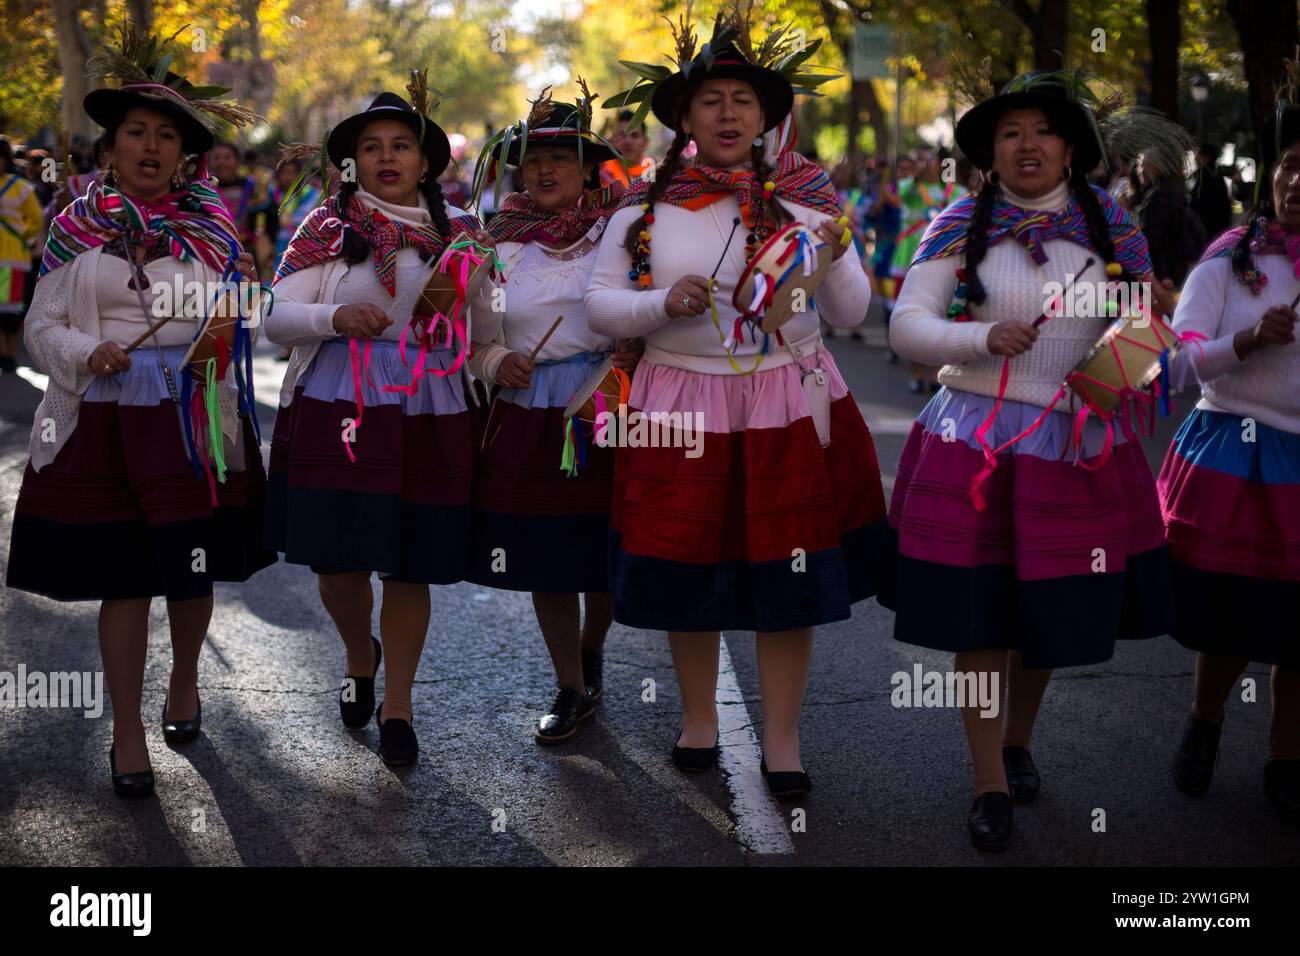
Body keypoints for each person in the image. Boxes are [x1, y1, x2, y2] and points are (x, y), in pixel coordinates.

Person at [584, 13, 885, 798]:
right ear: (684, 118)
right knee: (688, 563)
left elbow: (852, 315)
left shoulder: (811, 202)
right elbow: (600, 308)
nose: (727, 114)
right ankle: (698, 720)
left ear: (766, 118)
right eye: (711, 99)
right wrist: (660, 306)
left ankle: (782, 741)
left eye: (743, 101)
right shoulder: (644, 209)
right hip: (679, 399)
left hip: (788, 397)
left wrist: (840, 253)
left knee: (789, 576)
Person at [882, 72, 1177, 850]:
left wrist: (1116, 373)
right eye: (1010, 132)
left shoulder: (1112, 226)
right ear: (990, 151)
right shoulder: (959, 221)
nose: (1027, 144)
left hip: (1075, 443)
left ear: (1071, 147)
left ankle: (1018, 740)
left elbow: (1143, 329)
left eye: (1043, 130)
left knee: (1044, 609)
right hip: (975, 440)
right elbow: (905, 326)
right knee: (978, 616)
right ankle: (987, 782)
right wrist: (977, 338)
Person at [4, 28, 274, 797]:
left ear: (185, 154)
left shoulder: (214, 228)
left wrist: (243, 295)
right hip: (104, 421)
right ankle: (128, 731)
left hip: (189, 422)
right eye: (137, 133)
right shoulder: (75, 226)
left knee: (189, 575)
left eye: (166, 136)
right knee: (125, 580)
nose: (151, 146)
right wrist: (89, 352)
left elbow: (239, 324)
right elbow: (40, 326)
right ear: (112, 145)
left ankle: (184, 680)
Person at [265, 81, 491, 767]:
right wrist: (331, 317)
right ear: (351, 162)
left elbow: (486, 330)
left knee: (409, 563)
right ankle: (359, 653)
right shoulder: (326, 228)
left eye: (401, 145)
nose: (387, 156)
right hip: (341, 402)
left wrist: (489, 351)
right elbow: (273, 313)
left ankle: (398, 706)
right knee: (336, 563)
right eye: (371, 146)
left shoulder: (462, 235)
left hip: (429, 407)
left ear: (425, 161)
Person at [466, 87, 640, 742]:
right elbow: (471, 339)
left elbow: (647, 307)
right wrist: (493, 362)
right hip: (530, 412)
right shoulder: (495, 245)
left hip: (608, 403)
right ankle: (570, 684)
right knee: (546, 554)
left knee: (609, 548)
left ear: (587, 167)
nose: (543, 171)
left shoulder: (622, 231)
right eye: (532, 159)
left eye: (560, 158)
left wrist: (635, 344)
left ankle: (594, 647)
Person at [1162, 104, 1300, 827]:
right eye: (1290, 164)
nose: (1299, 180)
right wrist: (1245, 341)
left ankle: (1285, 756)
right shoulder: (1231, 257)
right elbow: (1177, 366)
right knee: (1230, 617)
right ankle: (1204, 724)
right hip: (1235, 457)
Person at [889, 149, 964, 392]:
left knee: (942, 316)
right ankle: (916, 373)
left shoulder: (955, 192)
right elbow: (906, 192)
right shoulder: (910, 187)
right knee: (914, 315)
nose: (930, 165)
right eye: (926, 160)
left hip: (944, 259)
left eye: (935, 161)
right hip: (911, 257)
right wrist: (918, 173)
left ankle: (935, 374)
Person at [0, 136, 44, 373]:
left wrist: (24, 239)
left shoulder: (21, 188)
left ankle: (10, 352)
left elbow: (36, 219)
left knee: (12, 307)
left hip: (14, 256)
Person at [210, 140, 276, 276]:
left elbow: (270, 212)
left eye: (227, 158)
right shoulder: (205, 189)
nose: (221, 162)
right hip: (215, 251)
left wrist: (269, 243)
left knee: (248, 292)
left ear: (237, 162)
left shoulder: (251, 187)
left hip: (247, 249)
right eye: (217, 158)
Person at [1189, 143, 1232, 242]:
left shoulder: (1210, 180)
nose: (1195, 157)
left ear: (1207, 157)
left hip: (1207, 234)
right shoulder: (1203, 178)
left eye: (1199, 154)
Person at [600, 109, 655, 188]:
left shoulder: (658, 176)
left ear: (646, 142)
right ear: (611, 140)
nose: (628, 141)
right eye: (622, 135)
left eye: (635, 135)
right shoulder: (600, 174)